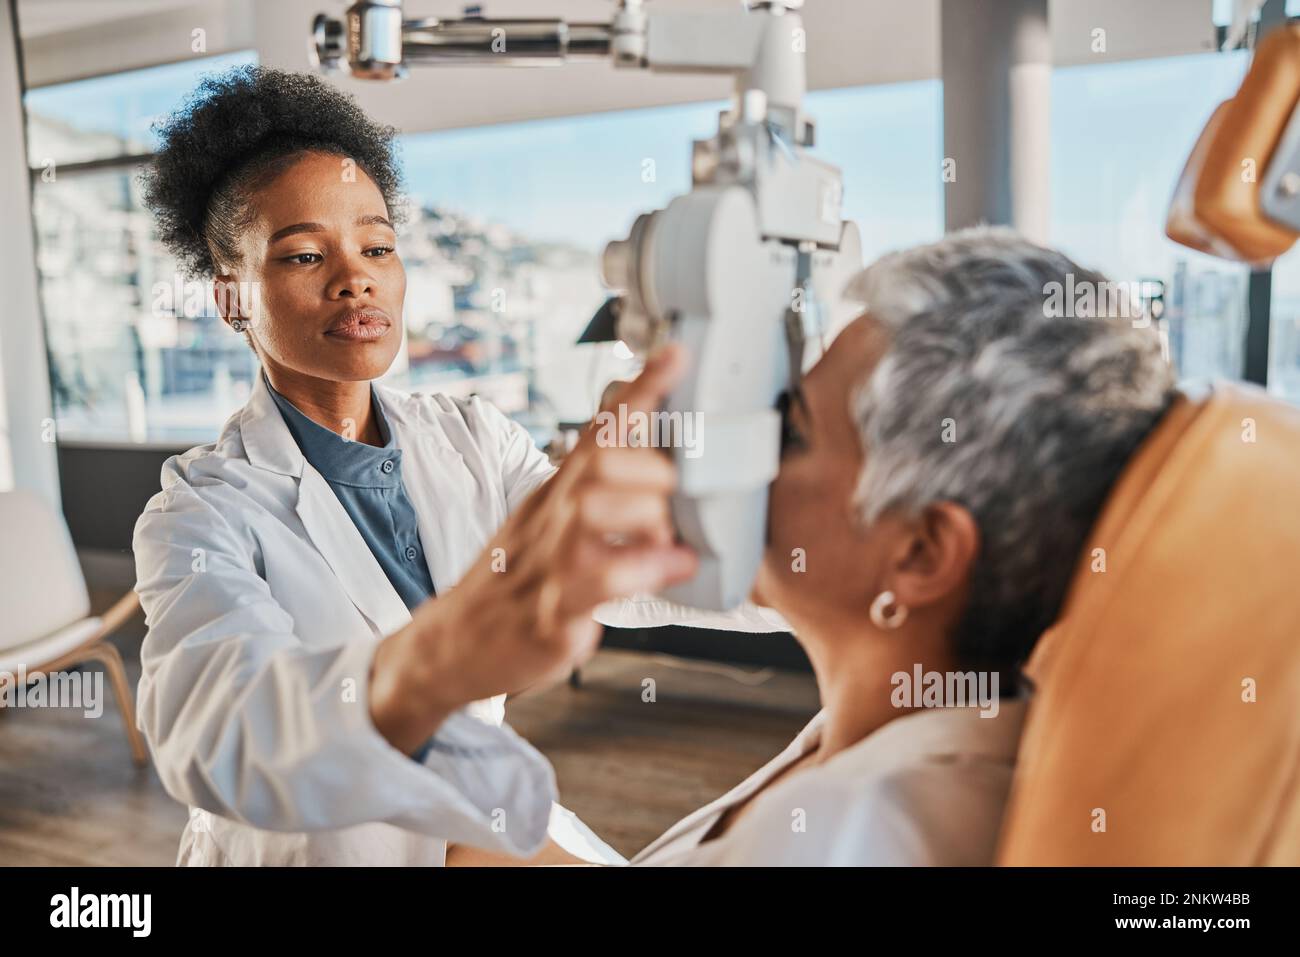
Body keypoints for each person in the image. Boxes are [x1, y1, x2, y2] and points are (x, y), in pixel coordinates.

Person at [131, 65, 756, 867]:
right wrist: (445, 655)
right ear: (232, 299)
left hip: (473, 828)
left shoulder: (473, 438)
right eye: (302, 256)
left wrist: (794, 561)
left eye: (377, 245)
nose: (355, 275)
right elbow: (212, 727)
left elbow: (630, 567)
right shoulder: (199, 510)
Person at [631, 228, 1177, 865]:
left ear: (921, 554)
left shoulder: (851, 834)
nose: (757, 460)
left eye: (795, 434)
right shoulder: (896, 742)